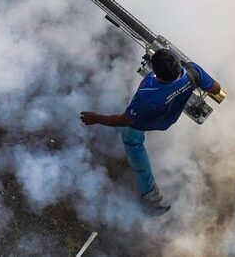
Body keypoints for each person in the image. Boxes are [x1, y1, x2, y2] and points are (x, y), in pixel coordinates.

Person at [80, 48, 221, 213]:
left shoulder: (148, 93)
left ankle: (150, 196)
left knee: (132, 141)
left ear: (158, 75)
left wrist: (96, 118)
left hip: (144, 121)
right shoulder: (193, 71)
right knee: (131, 122)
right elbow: (216, 90)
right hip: (168, 119)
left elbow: (124, 120)